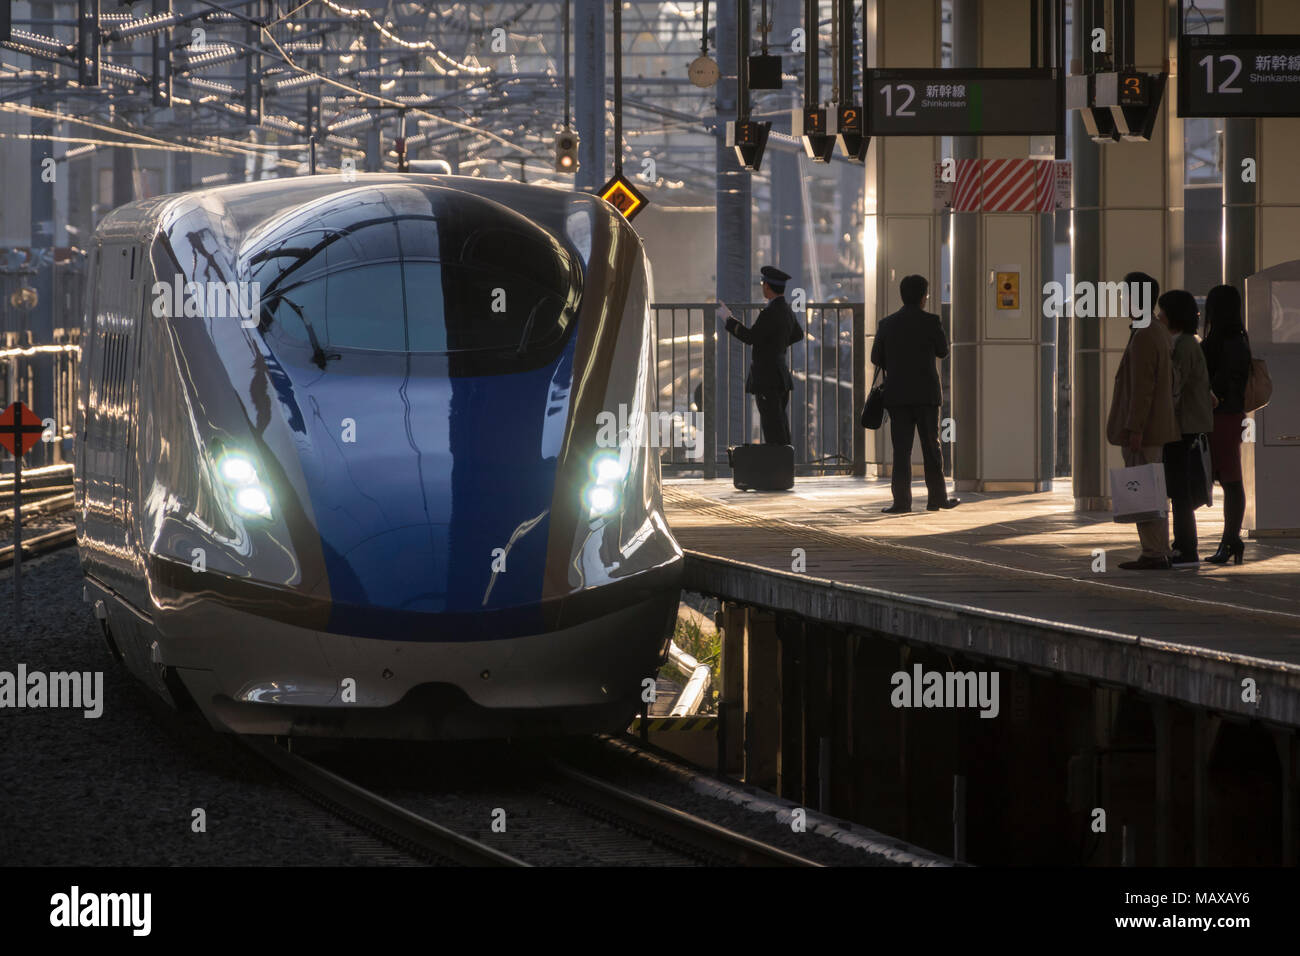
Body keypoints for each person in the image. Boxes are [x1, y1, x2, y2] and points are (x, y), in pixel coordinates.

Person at [1107, 271, 1178, 569]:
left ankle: (1153, 552)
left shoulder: (1145, 333)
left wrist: (1134, 428)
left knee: (1144, 489)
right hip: (1155, 429)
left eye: (1126, 295)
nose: (1123, 301)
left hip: (1145, 432)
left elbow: (1142, 389)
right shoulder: (1156, 330)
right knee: (1153, 490)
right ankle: (1158, 548)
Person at [870, 274, 959, 514]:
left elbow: (875, 358)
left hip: (897, 395)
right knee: (931, 446)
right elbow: (942, 351)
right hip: (926, 395)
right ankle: (937, 499)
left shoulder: (886, 324)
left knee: (901, 450)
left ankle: (901, 502)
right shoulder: (931, 321)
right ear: (923, 297)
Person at [1156, 290, 1213, 567]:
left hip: (1183, 427)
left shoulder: (1184, 345)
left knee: (1180, 490)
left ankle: (1186, 548)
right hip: (1186, 426)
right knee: (1181, 489)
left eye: (1162, 311)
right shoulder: (1188, 342)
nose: (1158, 316)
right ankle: (1183, 545)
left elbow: (1173, 387)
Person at [720, 265, 803, 445]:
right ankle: (785, 464)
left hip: (767, 378)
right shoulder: (787, 310)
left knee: (772, 427)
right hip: (781, 376)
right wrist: (777, 346)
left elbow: (751, 337)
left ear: (767, 286)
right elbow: (798, 334)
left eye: (762, 283)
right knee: (781, 424)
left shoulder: (770, 313)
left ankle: (778, 468)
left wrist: (728, 320)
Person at [1201, 284, 1252, 565]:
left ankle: (1230, 539)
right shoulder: (1236, 337)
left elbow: (1223, 379)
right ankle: (1230, 540)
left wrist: (1214, 394)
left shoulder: (1226, 340)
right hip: (1228, 415)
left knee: (1230, 479)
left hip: (1222, 415)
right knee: (1229, 477)